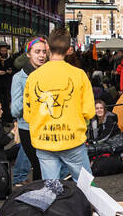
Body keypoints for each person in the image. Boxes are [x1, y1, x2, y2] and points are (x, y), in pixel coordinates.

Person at [25, 28, 94, 181]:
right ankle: (85, 206)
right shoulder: (79, 75)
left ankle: (56, 206)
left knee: (51, 188)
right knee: (86, 186)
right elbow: (89, 111)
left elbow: (27, 114)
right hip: (73, 140)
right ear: (69, 50)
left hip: (44, 141)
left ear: (48, 47)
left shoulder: (33, 77)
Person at [10, 36, 48, 182]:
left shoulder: (48, 74)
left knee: (47, 167)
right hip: (28, 129)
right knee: (38, 166)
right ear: (28, 54)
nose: (41, 55)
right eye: (37, 51)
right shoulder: (19, 78)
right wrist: (31, 95)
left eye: (44, 52)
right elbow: (15, 111)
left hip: (48, 127)